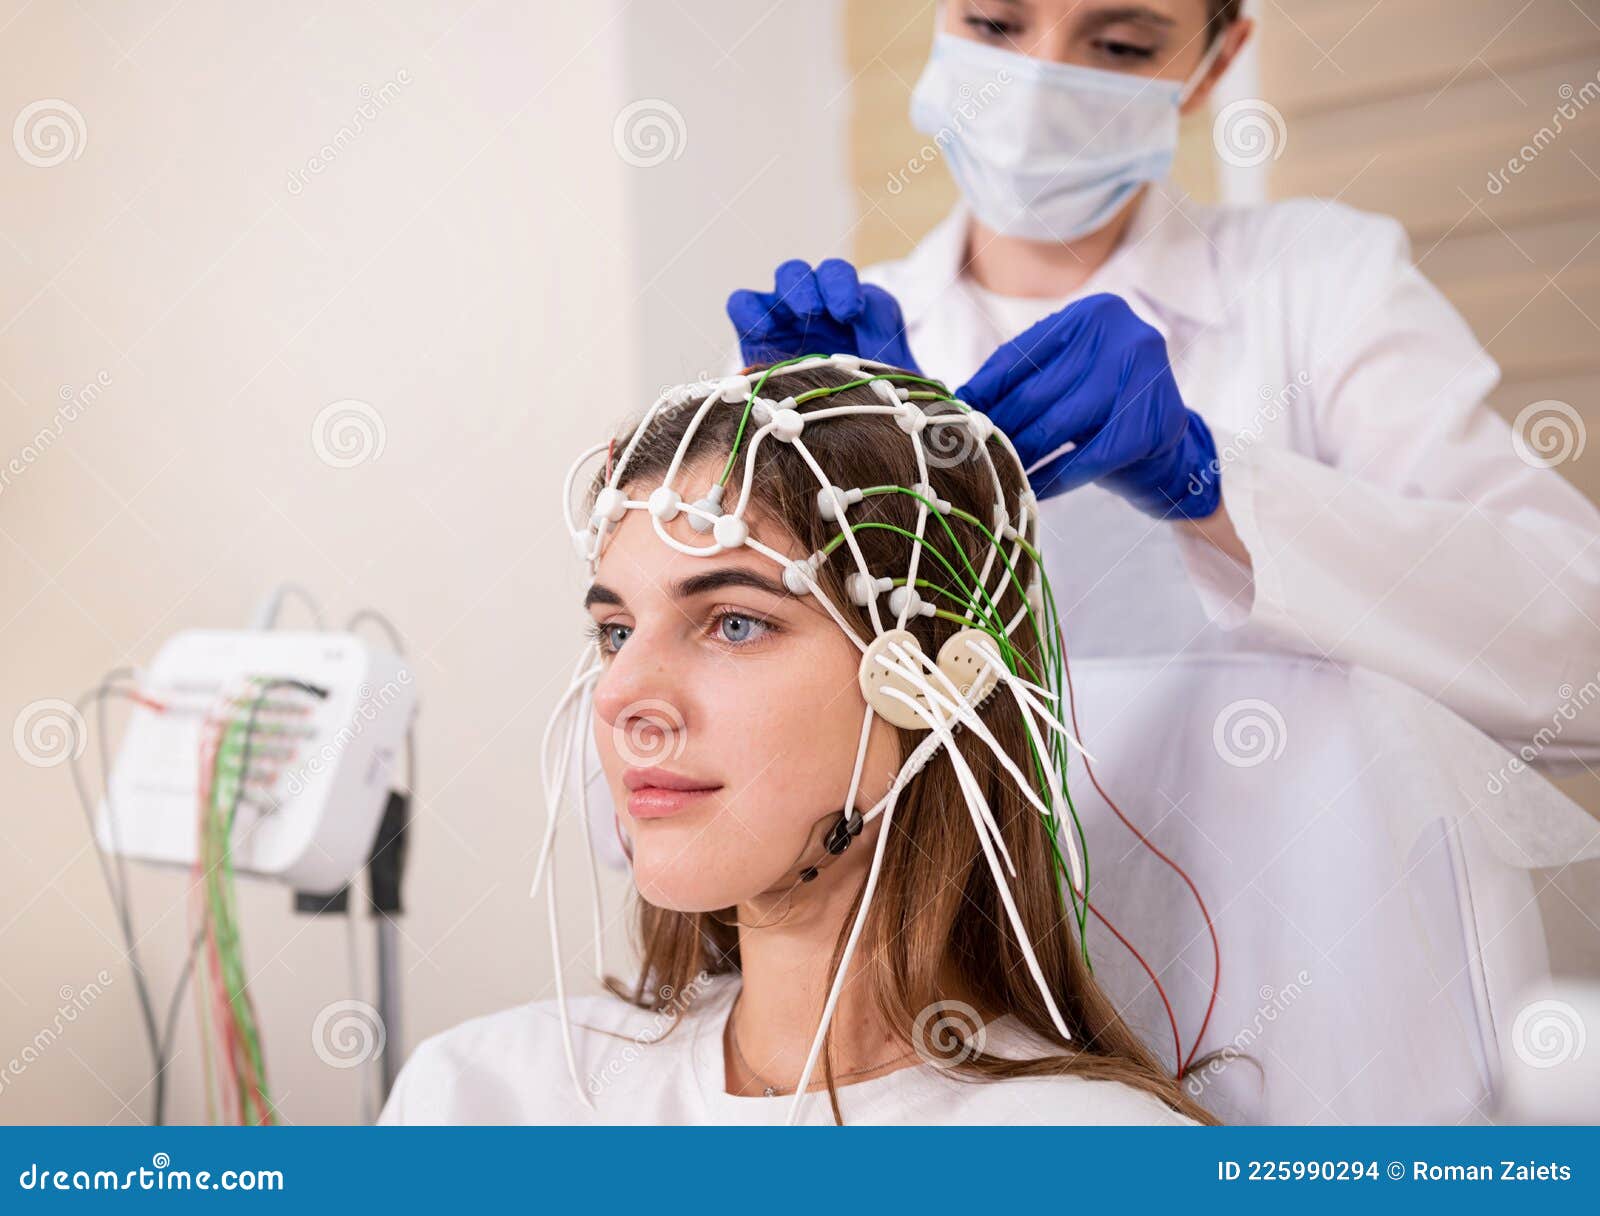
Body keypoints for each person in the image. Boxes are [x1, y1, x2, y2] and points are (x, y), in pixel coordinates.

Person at [720, 0, 1600, 1123]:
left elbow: (1575, 651)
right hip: (981, 1055)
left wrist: (1209, 478)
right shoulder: (838, 353)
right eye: (996, 23)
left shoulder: (1320, 285)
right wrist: (824, 495)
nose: (1042, 78)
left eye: (1120, 44)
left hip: (1336, 1043)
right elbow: (699, 789)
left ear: (1217, 56)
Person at [380, 359, 1212, 1126]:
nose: (622, 695)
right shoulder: (483, 1096)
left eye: (735, 624)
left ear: (935, 679)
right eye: (615, 630)